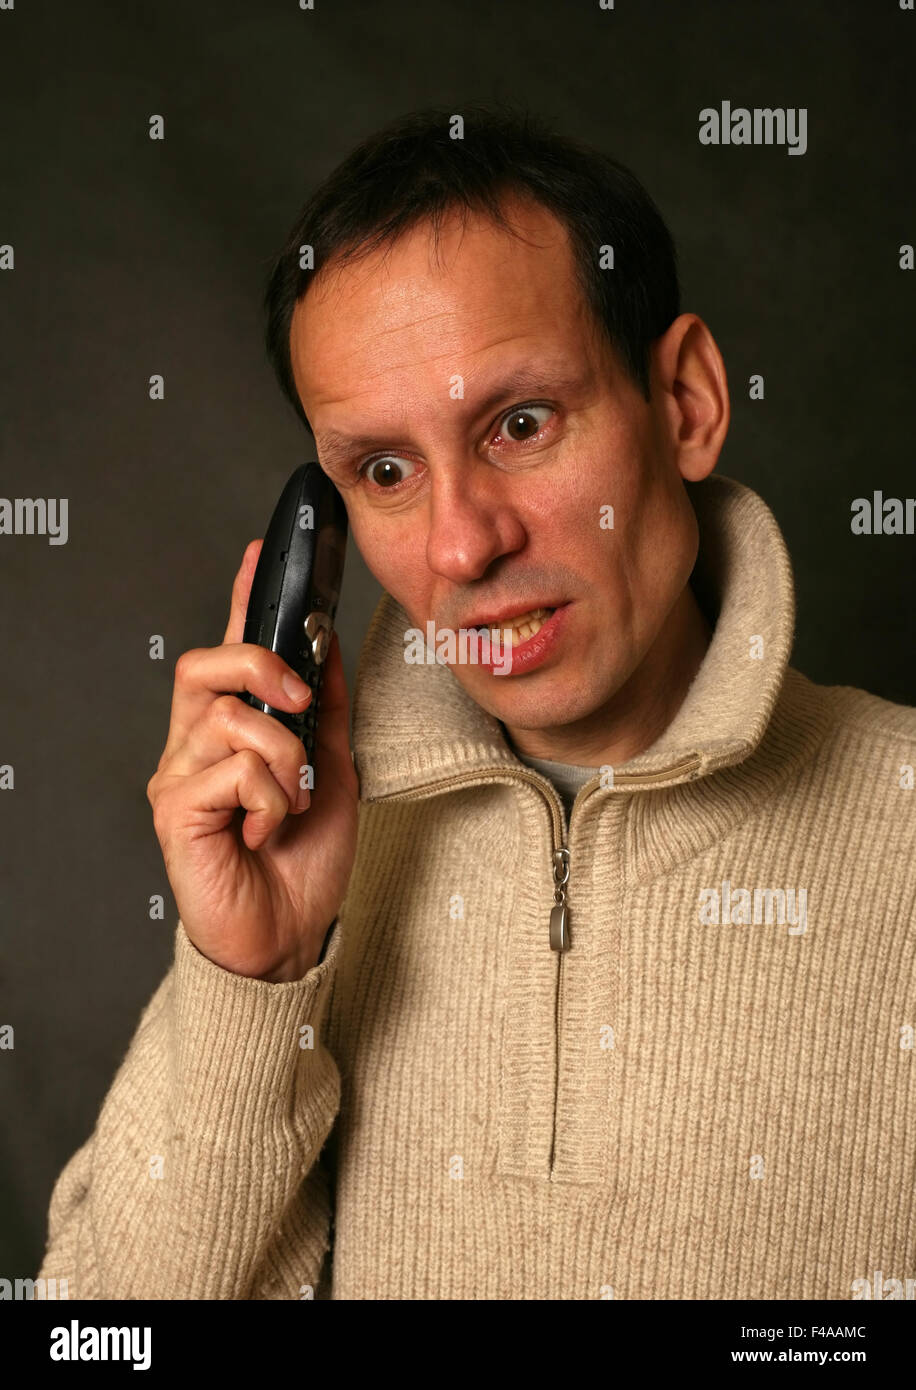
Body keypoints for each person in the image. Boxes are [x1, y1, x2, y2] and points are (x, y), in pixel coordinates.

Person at [39, 106, 915, 1301]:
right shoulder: (306, 871)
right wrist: (254, 982)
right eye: (384, 472)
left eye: (519, 423)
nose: (460, 544)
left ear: (687, 403)